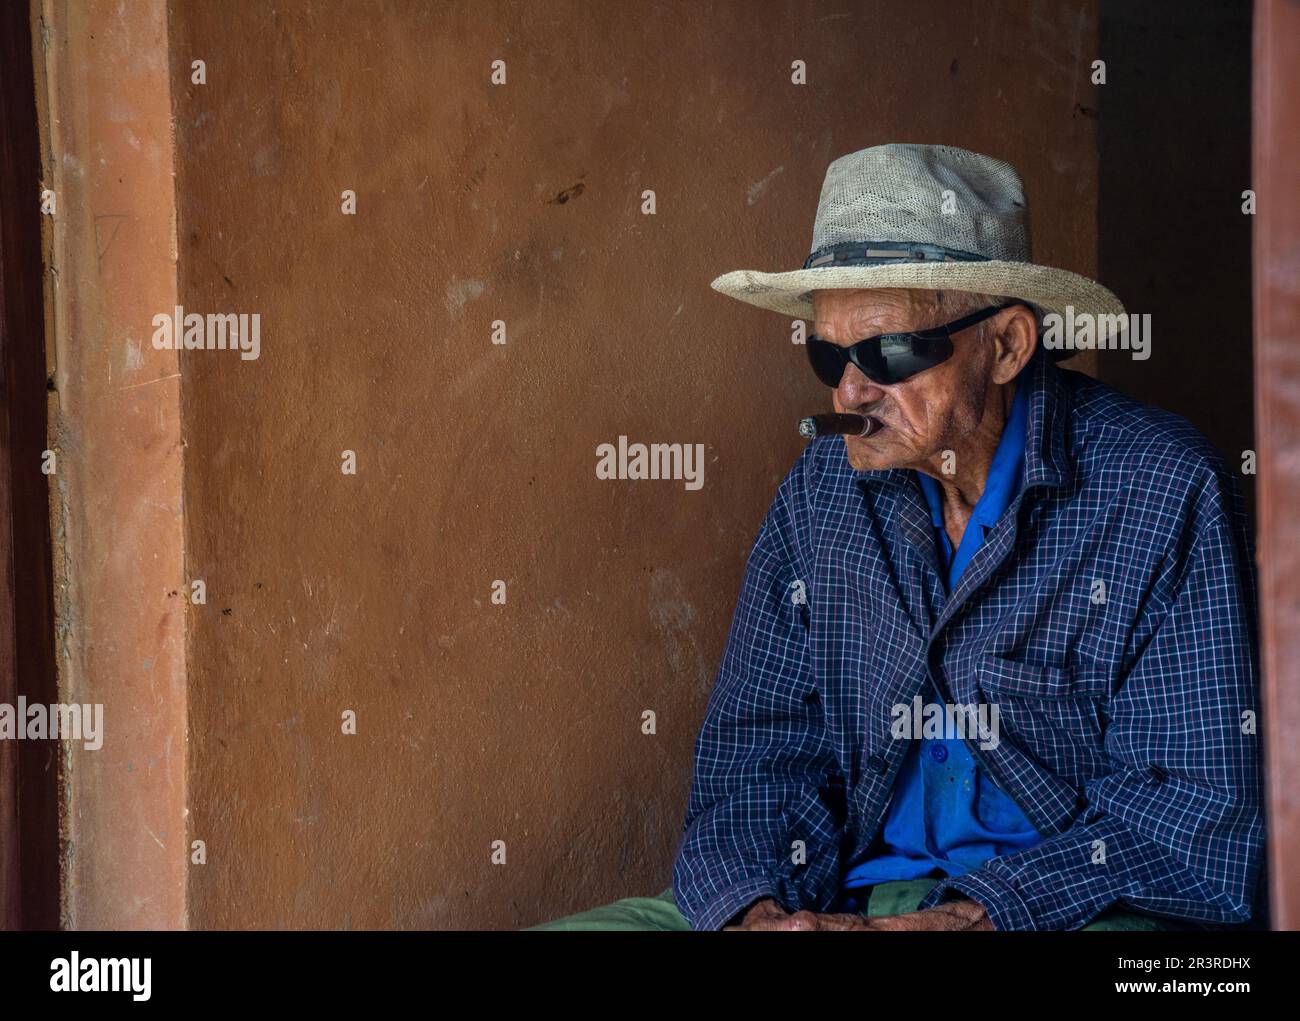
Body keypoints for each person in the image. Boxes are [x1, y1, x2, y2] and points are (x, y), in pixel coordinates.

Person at [528, 144, 1262, 931]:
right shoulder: (824, 491)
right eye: (828, 353)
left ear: (1007, 344)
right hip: (839, 890)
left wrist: (970, 918)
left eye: (890, 351)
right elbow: (757, 757)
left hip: (1059, 909)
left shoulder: (1161, 487)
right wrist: (761, 912)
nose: (849, 390)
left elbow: (1194, 825)